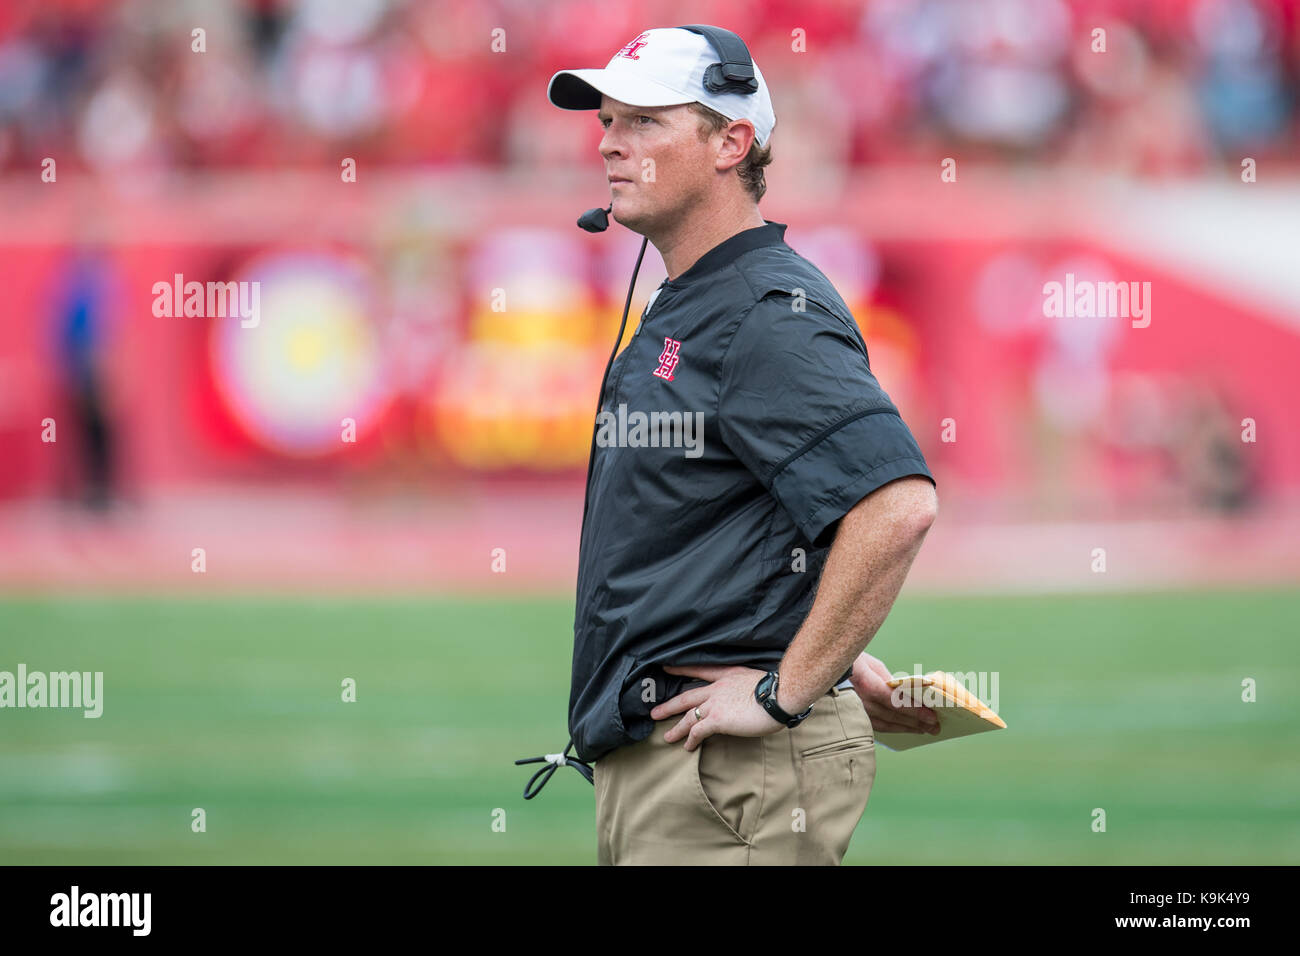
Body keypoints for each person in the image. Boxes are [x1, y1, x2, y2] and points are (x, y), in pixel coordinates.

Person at [548, 25, 940, 865]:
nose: (611, 142)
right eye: (608, 120)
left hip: (726, 776)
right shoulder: (697, 300)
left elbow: (898, 503)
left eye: (646, 121)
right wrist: (826, 643)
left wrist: (787, 685)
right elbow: (738, 521)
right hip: (690, 772)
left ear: (732, 142)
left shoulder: (764, 313)